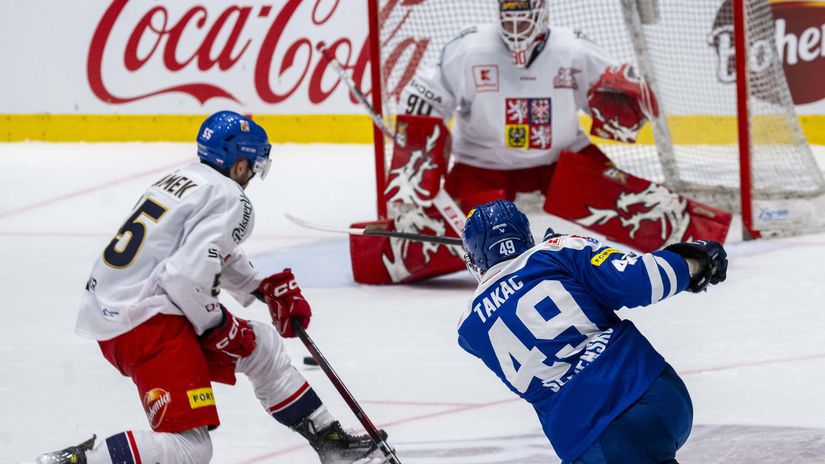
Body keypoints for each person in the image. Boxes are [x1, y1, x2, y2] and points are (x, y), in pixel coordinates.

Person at [37, 111, 383, 464]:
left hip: (120, 313)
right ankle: (80, 461)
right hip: (146, 322)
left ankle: (331, 442)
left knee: (262, 347)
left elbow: (205, 254)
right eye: (251, 166)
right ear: (238, 165)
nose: (251, 176)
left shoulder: (185, 179)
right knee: (191, 450)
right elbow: (185, 276)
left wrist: (261, 287)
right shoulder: (232, 197)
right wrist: (217, 324)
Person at [457, 200, 727, 463]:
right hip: (653, 393)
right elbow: (640, 281)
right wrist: (694, 263)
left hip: (592, 441)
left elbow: (517, 293)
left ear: (474, 259)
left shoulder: (469, 328)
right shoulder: (558, 253)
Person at [399, 0, 656, 208]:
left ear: (542, 12)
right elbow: (428, 93)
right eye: (509, 15)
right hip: (483, 165)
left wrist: (627, 101)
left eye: (523, 17)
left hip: (563, 159)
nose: (515, 25)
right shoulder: (470, 48)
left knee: (629, 207)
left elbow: (611, 95)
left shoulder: (574, 49)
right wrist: (417, 139)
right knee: (447, 233)